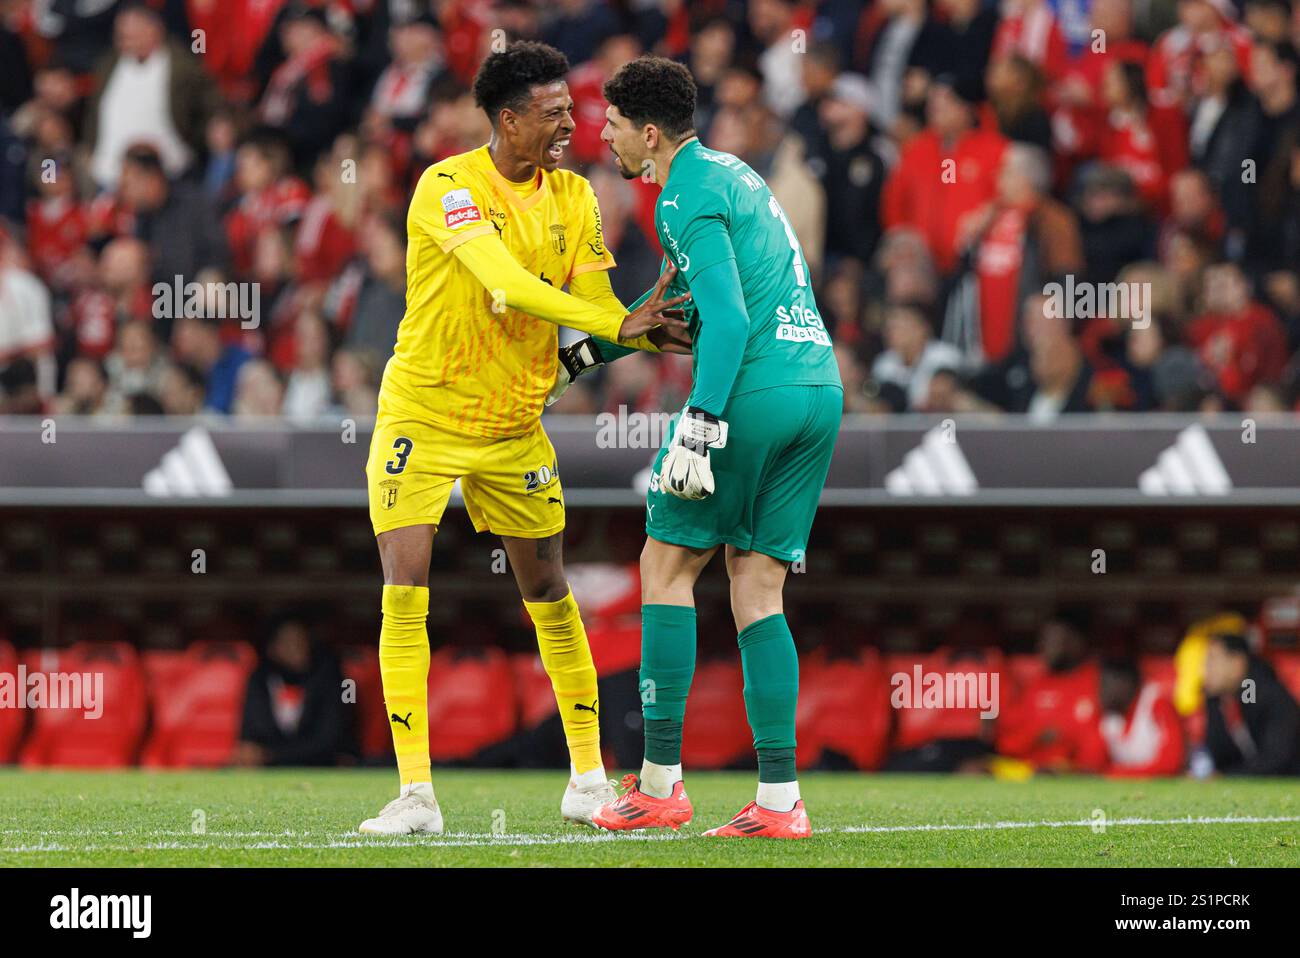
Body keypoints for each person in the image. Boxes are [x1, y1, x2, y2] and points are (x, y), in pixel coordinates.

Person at [357, 41, 690, 836]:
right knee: (406, 589)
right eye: (552, 114)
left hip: (513, 426)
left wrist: (645, 327)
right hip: (424, 416)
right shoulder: (447, 186)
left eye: (570, 111)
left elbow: (596, 299)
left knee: (548, 591)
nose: (570, 125)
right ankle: (416, 796)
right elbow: (506, 283)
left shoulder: (574, 196)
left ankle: (585, 778)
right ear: (507, 121)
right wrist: (617, 323)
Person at [583, 56, 843, 839]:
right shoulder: (733, 173)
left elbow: (728, 323)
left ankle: (660, 784)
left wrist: (697, 423)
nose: (605, 134)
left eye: (616, 123)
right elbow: (728, 300)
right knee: (758, 588)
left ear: (650, 134)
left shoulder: (682, 194)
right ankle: (778, 802)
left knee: (664, 567)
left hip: (751, 393)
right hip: (818, 386)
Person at [236, 615, 350, 767]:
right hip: (270, 769)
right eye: (289, 642)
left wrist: (272, 755)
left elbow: (331, 739)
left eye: (301, 640)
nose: (298, 647)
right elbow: (250, 734)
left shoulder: (337, 681)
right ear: (272, 648)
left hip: (322, 766)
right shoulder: (258, 681)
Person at [1202, 631, 1300, 775]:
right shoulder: (1218, 699)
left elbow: (1277, 758)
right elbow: (1220, 758)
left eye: (1212, 660)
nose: (1205, 670)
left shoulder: (1269, 695)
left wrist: (1230, 775)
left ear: (1237, 662)